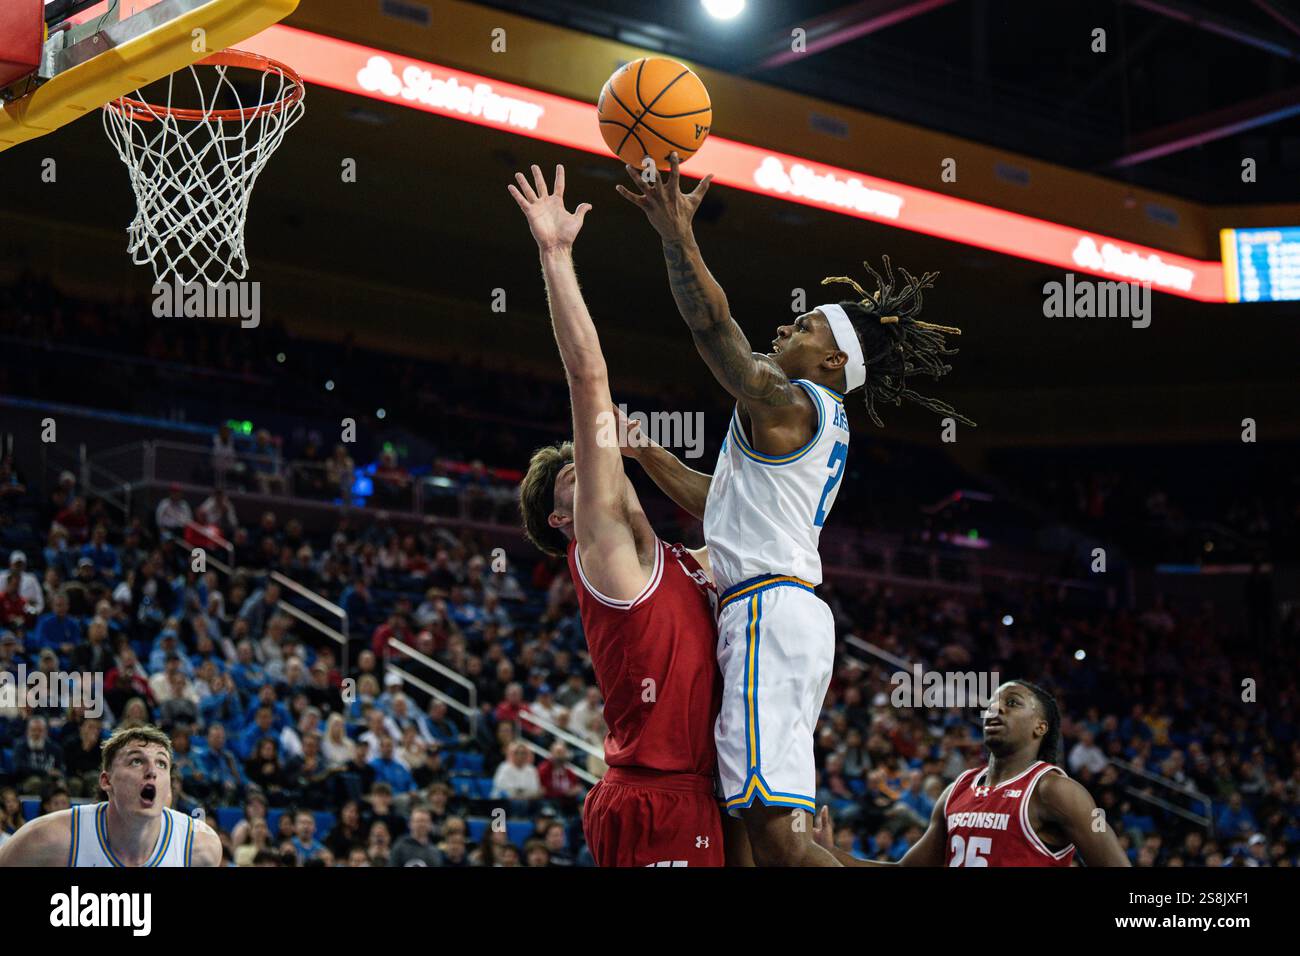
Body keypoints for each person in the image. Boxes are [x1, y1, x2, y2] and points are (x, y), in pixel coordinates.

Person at [618, 153, 971, 865]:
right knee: (752, 830)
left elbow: (716, 334)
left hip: (768, 616)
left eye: (806, 325)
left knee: (777, 842)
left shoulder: (792, 401)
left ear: (834, 361)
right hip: (780, 615)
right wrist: (649, 456)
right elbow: (720, 504)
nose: (788, 326)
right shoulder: (811, 420)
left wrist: (676, 236)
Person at [510, 164, 724, 866]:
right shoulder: (603, 551)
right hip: (653, 798)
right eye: (577, 477)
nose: (595, 471)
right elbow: (589, 377)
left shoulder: (679, 562)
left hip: (698, 793)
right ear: (563, 521)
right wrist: (556, 256)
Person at [813, 682, 1131, 867]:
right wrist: (833, 855)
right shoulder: (958, 789)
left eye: (1012, 703)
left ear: (1040, 727)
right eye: (992, 704)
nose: (996, 709)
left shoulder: (1055, 791)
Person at [0, 725, 221, 866]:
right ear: (107, 781)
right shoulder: (50, 838)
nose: (152, 771)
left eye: (162, 763)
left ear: (169, 789)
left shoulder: (200, 847)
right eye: (136, 760)